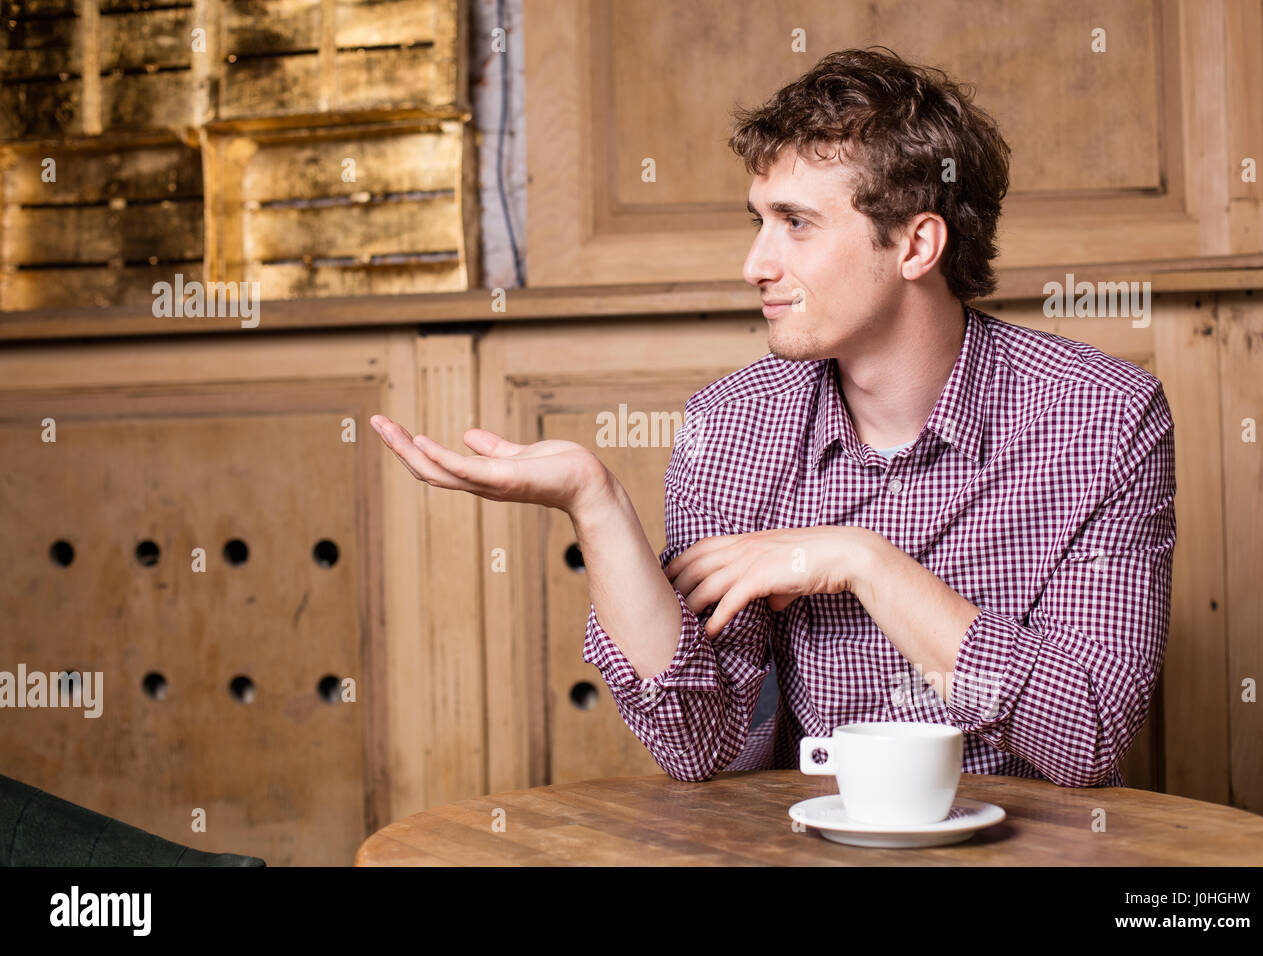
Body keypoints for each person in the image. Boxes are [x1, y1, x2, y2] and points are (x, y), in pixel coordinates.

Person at [371, 46, 1176, 788]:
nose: (756, 264)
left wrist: (861, 562)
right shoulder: (732, 426)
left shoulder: (1103, 419)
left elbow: (1089, 735)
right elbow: (698, 744)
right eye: (758, 221)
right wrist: (595, 503)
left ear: (916, 247)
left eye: (796, 222)